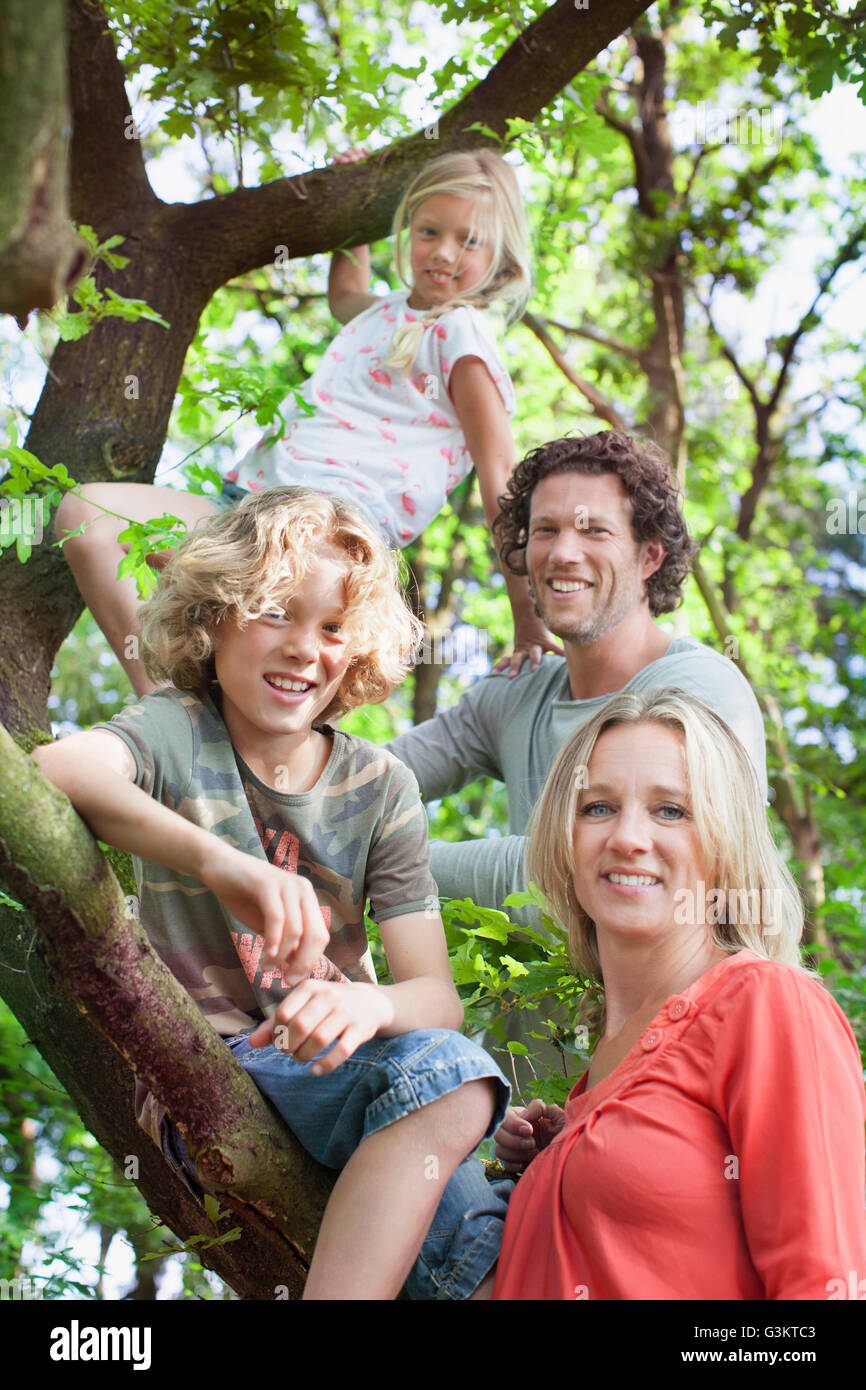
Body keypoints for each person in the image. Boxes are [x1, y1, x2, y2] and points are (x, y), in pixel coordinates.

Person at [33, 486, 511, 1301]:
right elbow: (49, 773)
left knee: (487, 1255)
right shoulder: (178, 727)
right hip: (218, 1065)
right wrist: (224, 864)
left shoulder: (380, 785)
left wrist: (371, 1007)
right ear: (212, 618)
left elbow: (435, 995)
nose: (304, 649)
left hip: (354, 1067)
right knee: (457, 1079)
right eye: (274, 614)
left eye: (331, 629)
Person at [54, 147, 557, 697]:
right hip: (243, 510)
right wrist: (354, 197)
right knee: (87, 518)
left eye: (469, 241)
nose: (443, 253)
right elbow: (344, 295)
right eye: (429, 231)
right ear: (407, 229)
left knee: (256, 636)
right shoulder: (382, 313)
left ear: (503, 261)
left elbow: (500, 474)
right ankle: (164, 709)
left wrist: (528, 617)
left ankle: (236, 727)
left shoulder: (461, 333)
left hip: (326, 538)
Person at [490, 689, 866, 1301]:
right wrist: (549, 1166)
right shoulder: (595, 1075)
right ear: (565, 837)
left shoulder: (766, 1005)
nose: (628, 838)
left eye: (670, 811)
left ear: (724, 844)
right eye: (598, 807)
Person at [386, 431, 768, 917]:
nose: (563, 552)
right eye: (545, 530)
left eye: (594, 531)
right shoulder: (517, 694)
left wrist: (385, 862)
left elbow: (584, 870)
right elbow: (366, 783)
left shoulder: (699, 690)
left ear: (651, 556)